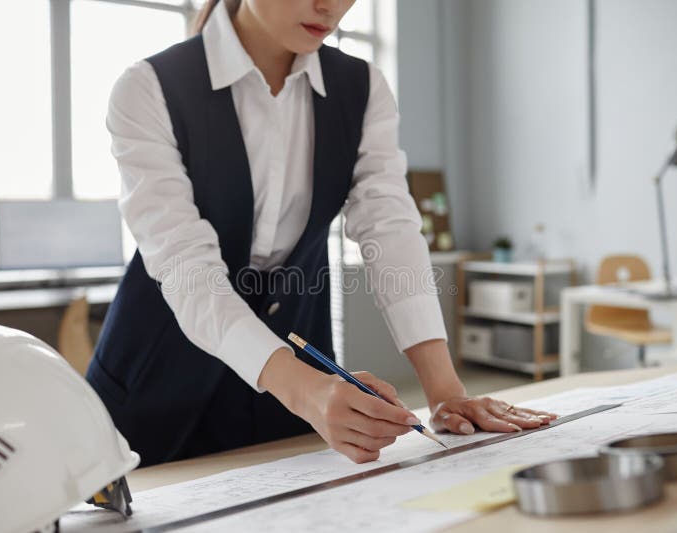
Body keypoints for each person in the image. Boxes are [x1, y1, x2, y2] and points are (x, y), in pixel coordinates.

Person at [86, 0, 555, 467]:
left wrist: (444, 391)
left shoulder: (362, 88)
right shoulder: (148, 89)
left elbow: (389, 228)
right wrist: (304, 389)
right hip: (156, 383)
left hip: (293, 395)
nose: (330, 6)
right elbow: (186, 266)